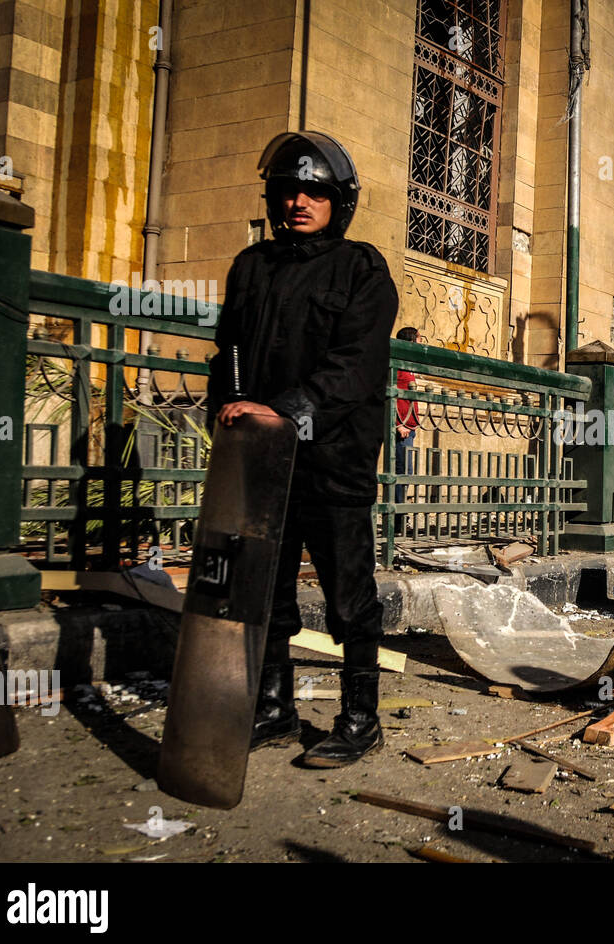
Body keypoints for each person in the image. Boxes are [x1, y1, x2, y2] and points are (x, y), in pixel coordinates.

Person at [207, 130, 397, 768]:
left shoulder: (361, 267)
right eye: (288, 189)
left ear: (337, 201)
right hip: (262, 461)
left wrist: (289, 410)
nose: (298, 201)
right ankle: (274, 708)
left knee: (349, 596)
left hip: (332, 460)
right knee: (265, 589)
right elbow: (228, 350)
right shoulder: (250, 266)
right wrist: (229, 409)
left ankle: (360, 718)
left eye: (314, 191)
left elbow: (357, 364)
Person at [393, 326, 424, 518]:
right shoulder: (398, 364)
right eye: (420, 338)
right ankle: (398, 517)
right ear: (412, 340)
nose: (422, 342)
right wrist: (397, 423)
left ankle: (400, 516)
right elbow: (390, 392)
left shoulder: (408, 364)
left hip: (409, 425)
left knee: (407, 472)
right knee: (402, 471)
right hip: (402, 426)